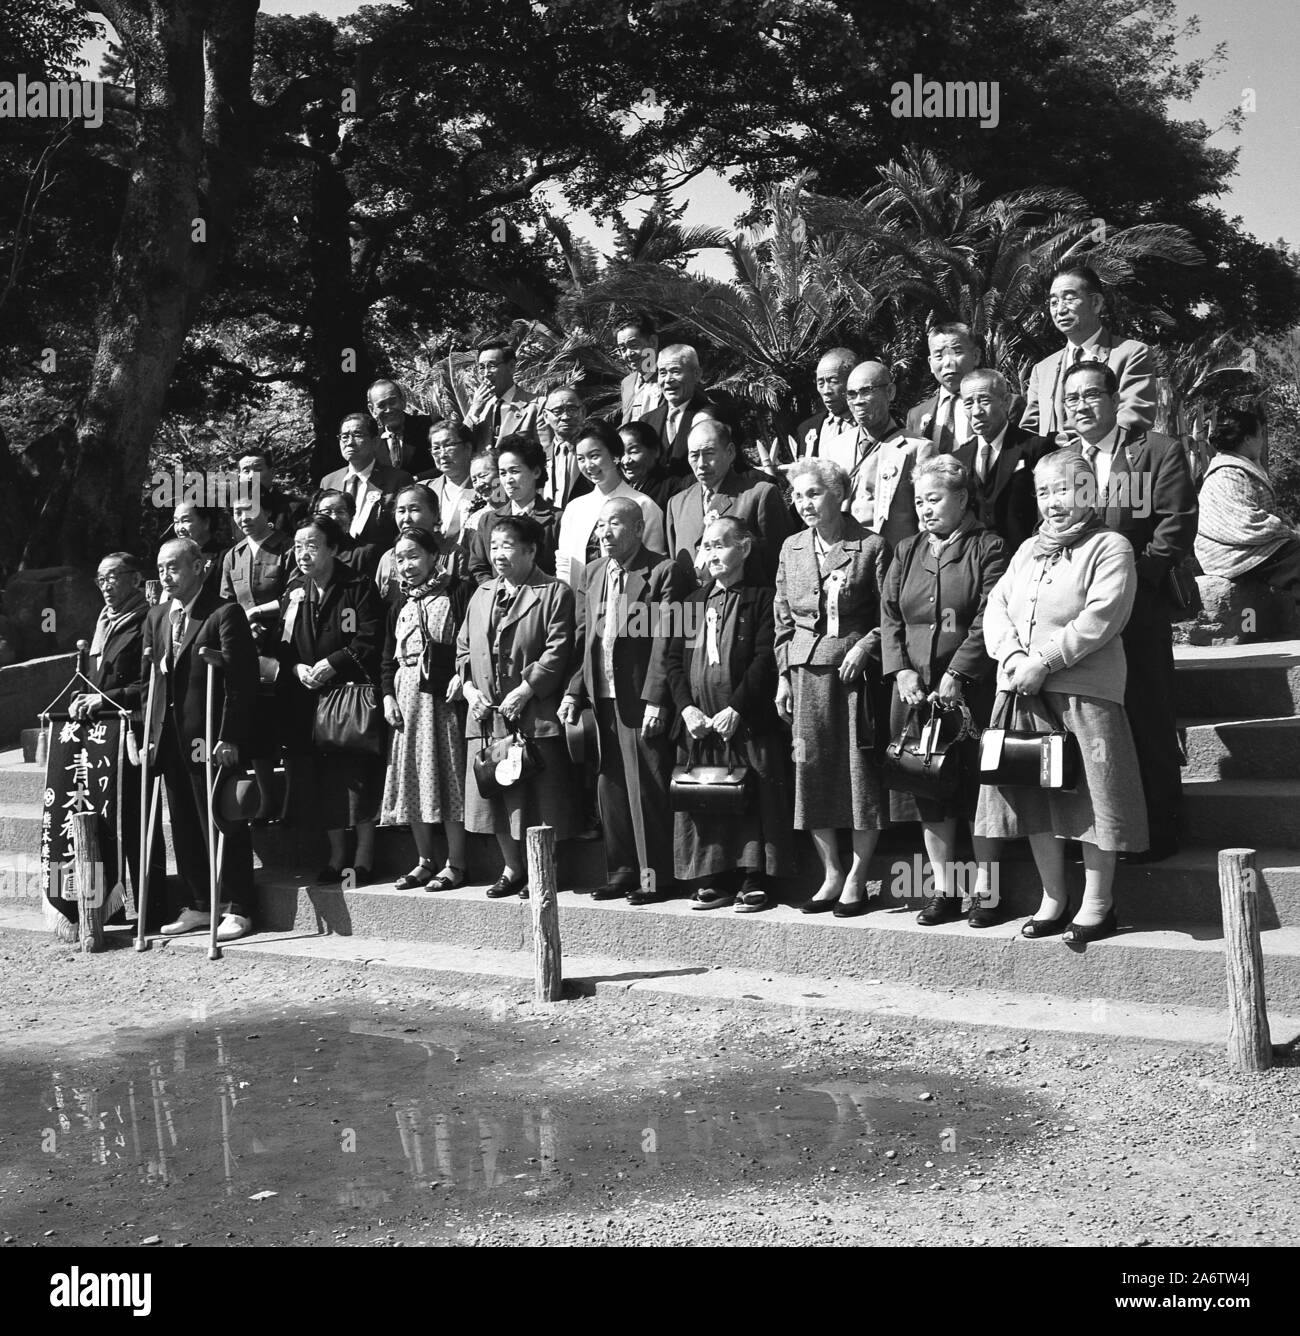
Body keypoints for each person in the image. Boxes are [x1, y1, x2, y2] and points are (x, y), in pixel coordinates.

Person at [977, 450, 1149, 943]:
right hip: (1021, 693)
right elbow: (998, 607)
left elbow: (1102, 617)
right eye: (1044, 492)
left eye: (1065, 490)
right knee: (1034, 796)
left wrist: (1043, 662)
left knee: (1095, 800)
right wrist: (1011, 660)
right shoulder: (1028, 548)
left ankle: (1098, 904)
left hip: (1082, 693)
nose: (1053, 502)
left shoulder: (1110, 546)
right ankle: (1053, 896)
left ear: (1089, 493)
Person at [1063, 359, 1196, 862]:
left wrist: (1126, 586)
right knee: (1092, 727)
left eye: (1090, 395)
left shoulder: (1156, 450)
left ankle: (1161, 830)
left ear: (1115, 398)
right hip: (1079, 618)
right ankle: (1100, 833)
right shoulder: (1061, 462)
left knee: (1149, 717)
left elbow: (1174, 526)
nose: (1080, 406)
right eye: (1071, 398)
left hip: (1138, 611)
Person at [880, 455, 1009, 927]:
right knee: (926, 785)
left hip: (968, 691)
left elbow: (989, 615)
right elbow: (890, 616)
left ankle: (986, 891)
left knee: (977, 788)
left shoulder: (989, 546)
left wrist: (958, 672)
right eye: (918, 502)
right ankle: (944, 888)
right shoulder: (906, 550)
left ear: (961, 499)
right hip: (914, 693)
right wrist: (901, 672)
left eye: (933, 499)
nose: (924, 510)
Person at [774, 460, 890, 917]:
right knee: (814, 770)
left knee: (859, 772)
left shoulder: (870, 545)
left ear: (839, 495)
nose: (805, 503)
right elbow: (782, 620)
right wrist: (784, 675)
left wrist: (866, 647)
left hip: (853, 674)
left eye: (814, 494)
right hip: (806, 674)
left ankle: (859, 877)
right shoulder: (791, 547)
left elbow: (891, 615)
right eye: (798, 496)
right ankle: (832, 873)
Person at [666, 515, 794, 912]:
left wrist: (736, 708)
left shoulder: (762, 597)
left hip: (744, 718)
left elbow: (763, 659)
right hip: (700, 722)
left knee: (752, 794)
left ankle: (755, 877)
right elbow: (672, 660)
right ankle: (715, 877)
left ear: (744, 547)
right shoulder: (691, 602)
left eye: (721, 544)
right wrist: (686, 708)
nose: (712, 553)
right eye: (707, 546)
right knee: (706, 794)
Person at [558, 498, 681, 905]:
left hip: (640, 697)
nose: (604, 533)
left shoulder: (664, 570)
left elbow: (672, 639)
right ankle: (623, 870)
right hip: (601, 696)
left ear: (638, 527)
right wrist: (574, 691)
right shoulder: (593, 573)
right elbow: (583, 639)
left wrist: (658, 699)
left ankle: (655, 877)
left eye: (614, 524)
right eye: (600, 526)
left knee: (647, 788)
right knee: (609, 788)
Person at [138, 538, 259, 942]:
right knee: (184, 822)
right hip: (170, 738)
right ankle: (200, 902)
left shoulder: (224, 613)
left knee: (223, 818)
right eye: (160, 568)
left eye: (174, 567)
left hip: (209, 736)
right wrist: (148, 735)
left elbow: (241, 683)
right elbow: (149, 682)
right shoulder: (156, 617)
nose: (165, 576)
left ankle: (240, 905)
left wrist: (230, 736)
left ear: (199, 567)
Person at [456, 514, 579, 899]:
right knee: (494, 792)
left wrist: (527, 689)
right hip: (488, 713)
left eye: (507, 546)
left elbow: (559, 649)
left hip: (531, 712)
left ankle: (546, 869)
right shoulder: (482, 594)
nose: (498, 554)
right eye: (494, 546)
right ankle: (512, 868)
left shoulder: (554, 592)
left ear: (530, 550)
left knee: (540, 796)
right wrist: (469, 688)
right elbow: (463, 647)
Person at [274, 515, 386, 884]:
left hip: (348, 697)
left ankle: (366, 855)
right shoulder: (295, 590)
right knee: (322, 780)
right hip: (309, 698)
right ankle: (337, 856)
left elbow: (367, 638)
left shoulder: (357, 587)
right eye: (298, 546)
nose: (303, 554)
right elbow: (282, 646)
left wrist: (332, 664)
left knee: (356, 776)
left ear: (334, 549)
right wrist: (297, 670)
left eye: (312, 546)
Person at [67, 552, 164, 923]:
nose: (105, 586)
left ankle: (152, 908)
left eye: (113, 577)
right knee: (106, 819)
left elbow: (151, 682)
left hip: (135, 732)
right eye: (100, 579)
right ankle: (109, 907)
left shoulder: (147, 620)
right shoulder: (103, 622)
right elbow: (97, 680)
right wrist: (85, 696)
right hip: (101, 734)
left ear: (136, 579)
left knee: (138, 821)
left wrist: (106, 698)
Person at [380, 526, 471, 891]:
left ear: (434, 556)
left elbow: (472, 641)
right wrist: (387, 695)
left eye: (414, 556)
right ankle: (424, 861)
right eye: (400, 559)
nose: (407, 565)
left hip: (442, 700)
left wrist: (463, 676)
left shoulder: (458, 591)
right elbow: (387, 658)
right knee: (412, 778)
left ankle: (457, 863)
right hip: (406, 699)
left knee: (447, 776)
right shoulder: (399, 603)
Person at [1020, 263, 1158, 440]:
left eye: (1069, 298)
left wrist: (1084, 450)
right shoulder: (1042, 370)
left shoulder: (1131, 353)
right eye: (1054, 302)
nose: (1060, 310)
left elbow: (1134, 418)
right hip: (1051, 464)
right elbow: (1029, 432)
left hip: (1107, 461)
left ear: (1096, 303)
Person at [220, 496, 294, 821]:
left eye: (250, 510)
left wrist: (257, 612)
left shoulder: (287, 547)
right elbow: (224, 603)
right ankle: (267, 800)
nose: (243, 517)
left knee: (287, 728)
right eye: (237, 512)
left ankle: (294, 800)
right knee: (258, 729)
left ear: (268, 512)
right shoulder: (232, 556)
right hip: (248, 654)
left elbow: (295, 594)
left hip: (285, 646)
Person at [665, 419, 793, 588]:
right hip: (692, 608)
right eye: (694, 455)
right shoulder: (677, 504)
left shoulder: (759, 495)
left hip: (744, 607)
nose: (702, 464)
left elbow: (779, 563)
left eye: (709, 453)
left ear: (730, 452)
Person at [1195, 407, 1300, 596]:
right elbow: (1245, 524)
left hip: (1248, 548)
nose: (1262, 441)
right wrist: (1287, 531)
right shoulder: (1226, 474)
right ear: (1248, 439)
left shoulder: (1239, 469)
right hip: (1231, 555)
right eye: (1260, 435)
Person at [556, 420, 666, 589]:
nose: (588, 465)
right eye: (581, 459)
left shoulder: (643, 505)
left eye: (594, 456)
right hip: (581, 604)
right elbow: (565, 565)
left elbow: (655, 564)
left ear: (615, 456)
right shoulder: (574, 509)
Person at [959, 368, 1051, 552]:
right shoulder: (958, 458)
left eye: (985, 400)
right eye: (968, 403)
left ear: (1006, 401)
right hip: (975, 563)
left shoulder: (1035, 448)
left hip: (1025, 558)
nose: (976, 411)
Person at [840, 361, 927, 551]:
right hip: (844, 558)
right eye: (851, 394)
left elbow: (927, 519)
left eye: (866, 391)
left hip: (894, 557)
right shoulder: (835, 447)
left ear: (890, 392)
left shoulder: (918, 449)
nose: (858, 401)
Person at [468, 436, 561, 585]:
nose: (508, 480)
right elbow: (478, 566)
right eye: (503, 473)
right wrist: (495, 592)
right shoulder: (488, 520)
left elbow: (562, 568)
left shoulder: (557, 519)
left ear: (536, 472)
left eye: (514, 471)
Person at [638, 344, 738, 475]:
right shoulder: (646, 421)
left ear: (696, 374)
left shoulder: (714, 417)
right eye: (662, 373)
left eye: (675, 371)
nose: (668, 379)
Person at [318, 413, 414, 547]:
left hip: (378, 562)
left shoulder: (398, 480)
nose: (350, 442)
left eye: (357, 435)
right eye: (344, 436)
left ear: (375, 442)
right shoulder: (328, 482)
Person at [374, 484, 465, 608]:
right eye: (401, 511)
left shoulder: (455, 554)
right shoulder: (388, 558)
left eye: (414, 510)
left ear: (435, 514)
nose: (406, 518)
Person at [905, 323, 982, 455]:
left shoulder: (1003, 405)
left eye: (956, 352)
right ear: (930, 363)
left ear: (975, 356)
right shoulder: (916, 415)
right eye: (939, 356)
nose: (948, 363)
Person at [462, 339, 542, 448]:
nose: (486, 374)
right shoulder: (479, 409)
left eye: (491, 366)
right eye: (481, 367)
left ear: (511, 366)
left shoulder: (536, 405)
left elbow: (546, 456)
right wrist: (474, 411)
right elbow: (462, 447)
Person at [785, 348, 858, 466]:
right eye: (820, 383)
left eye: (833, 381)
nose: (826, 391)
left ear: (852, 381)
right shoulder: (806, 429)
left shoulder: (873, 425)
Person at [366, 377, 438, 475]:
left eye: (392, 402)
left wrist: (416, 480)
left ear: (403, 401)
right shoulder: (372, 443)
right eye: (381, 405)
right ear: (372, 410)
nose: (389, 409)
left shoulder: (430, 425)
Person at [421, 422, 477, 543]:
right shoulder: (424, 490)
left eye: (448, 445)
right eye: (436, 448)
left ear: (468, 448)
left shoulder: (487, 487)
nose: (442, 454)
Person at [309, 488, 382, 580]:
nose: (334, 517)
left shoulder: (364, 553)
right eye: (327, 512)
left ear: (351, 517)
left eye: (340, 512)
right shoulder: (306, 552)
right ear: (316, 516)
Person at [541, 386, 595, 508]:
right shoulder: (540, 457)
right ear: (545, 416)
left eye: (572, 409)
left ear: (583, 412)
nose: (565, 417)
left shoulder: (598, 453)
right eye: (557, 411)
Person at [619, 420, 687, 516]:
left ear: (656, 451)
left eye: (633, 451)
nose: (625, 461)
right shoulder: (620, 488)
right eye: (621, 453)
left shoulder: (673, 488)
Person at [236, 450, 304, 537]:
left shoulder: (294, 507)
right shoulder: (235, 510)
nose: (252, 476)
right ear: (239, 477)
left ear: (272, 473)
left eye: (258, 469)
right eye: (246, 471)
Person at [614, 311, 664, 424]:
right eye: (623, 349)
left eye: (633, 345)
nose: (628, 354)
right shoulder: (627, 383)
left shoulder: (669, 378)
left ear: (653, 342)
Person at [172, 502, 226, 599]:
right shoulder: (175, 557)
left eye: (186, 521)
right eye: (176, 522)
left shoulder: (224, 556)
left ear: (206, 523)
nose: (180, 528)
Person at [463, 449, 502, 538]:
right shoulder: (474, 521)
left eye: (483, 476)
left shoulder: (520, 510)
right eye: (474, 480)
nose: (479, 484)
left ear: (501, 473)